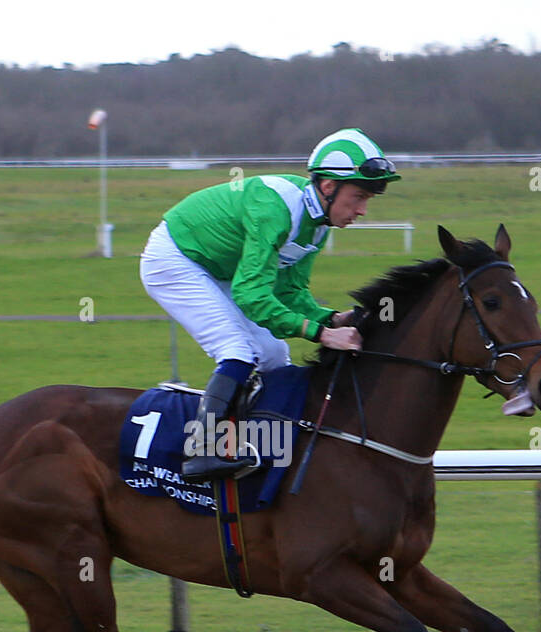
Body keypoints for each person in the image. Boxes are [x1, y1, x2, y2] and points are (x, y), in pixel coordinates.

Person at [139, 127, 401, 483]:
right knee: (237, 350)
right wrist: (322, 334)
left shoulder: (318, 225)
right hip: (175, 258)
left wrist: (334, 318)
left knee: (275, 355)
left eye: (368, 199)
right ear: (328, 186)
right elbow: (251, 296)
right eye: (358, 197)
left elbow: (290, 293)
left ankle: (263, 443)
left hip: (222, 270)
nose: (363, 210)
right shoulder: (276, 208)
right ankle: (200, 453)